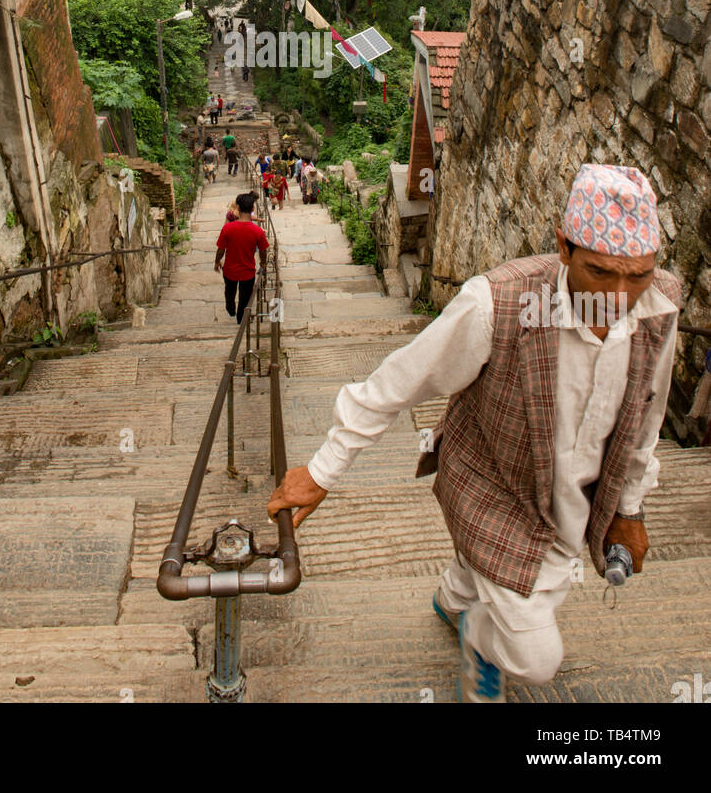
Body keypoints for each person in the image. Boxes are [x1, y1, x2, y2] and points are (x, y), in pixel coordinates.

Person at [267, 165, 681, 704]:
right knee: (537, 661)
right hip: (493, 488)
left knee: (490, 573)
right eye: (600, 273)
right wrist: (323, 470)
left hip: (576, 497)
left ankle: (456, 594)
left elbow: (648, 413)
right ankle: (480, 639)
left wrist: (628, 508)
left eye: (638, 275)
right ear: (564, 247)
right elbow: (398, 381)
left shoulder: (660, 304)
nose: (619, 297)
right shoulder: (498, 303)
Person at [215, 191, 269, 324]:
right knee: (245, 298)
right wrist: (263, 263)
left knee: (229, 291)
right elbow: (263, 251)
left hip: (230, 270)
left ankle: (230, 308)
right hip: (248, 271)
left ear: (238, 208)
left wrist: (217, 262)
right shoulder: (258, 231)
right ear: (252, 208)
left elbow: (221, 249)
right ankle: (241, 319)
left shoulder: (227, 228)